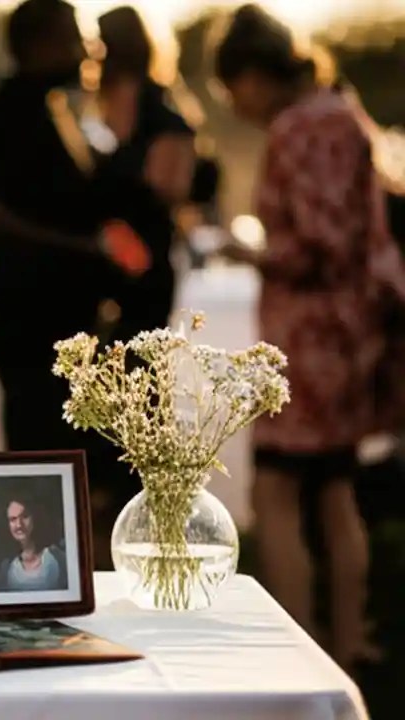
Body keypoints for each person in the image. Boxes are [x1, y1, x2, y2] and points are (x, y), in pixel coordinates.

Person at [213, 4, 405, 670]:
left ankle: (299, 647)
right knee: (335, 487)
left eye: (233, 88)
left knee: (277, 492)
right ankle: (351, 638)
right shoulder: (346, 115)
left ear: (255, 74)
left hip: (306, 340)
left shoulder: (298, 130)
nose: (236, 105)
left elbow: (319, 244)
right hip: (354, 334)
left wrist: (252, 254)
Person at [0, 0, 121, 457]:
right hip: (31, 316)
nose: (88, 51)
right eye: (76, 38)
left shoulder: (49, 107)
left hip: (45, 310)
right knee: (43, 446)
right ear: (41, 45)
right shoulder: (13, 114)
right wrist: (89, 247)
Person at [94, 6, 196, 342]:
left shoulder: (161, 116)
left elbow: (170, 189)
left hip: (143, 259)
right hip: (112, 259)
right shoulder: (97, 104)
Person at [0, 497, 66, 591]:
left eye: (25, 516)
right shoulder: (6, 566)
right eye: (13, 519)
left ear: (35, 518)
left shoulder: (58, 558)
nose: (19, 525)